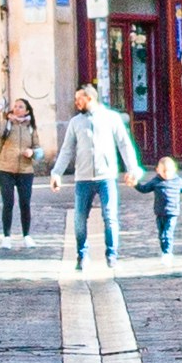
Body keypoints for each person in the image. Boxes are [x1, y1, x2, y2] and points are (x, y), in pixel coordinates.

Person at [49, 78, 140, 265]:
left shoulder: (111, 118)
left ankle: (112, 254)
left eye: (79, 99)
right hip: (83, 177)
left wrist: (132, 168)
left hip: (106, 176)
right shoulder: (75, 122)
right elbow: (67, 149)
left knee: (110, 215)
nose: (76, 102)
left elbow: (124, 144)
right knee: (80, 217)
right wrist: (56, 172)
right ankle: (82, 254)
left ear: (89, 98)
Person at [0, 88, 40, 240]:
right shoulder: (7, 123)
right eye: (15, 106)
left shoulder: (31, 127)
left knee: (25, 203)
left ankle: (26, 235)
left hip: (25, 170)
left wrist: (32, 152)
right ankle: (7, 236)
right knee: (8, 203)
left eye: (20, 106)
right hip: (5, 169)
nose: (17, 108)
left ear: (26, 111)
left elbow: (38, 147)